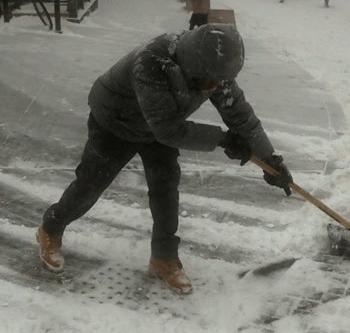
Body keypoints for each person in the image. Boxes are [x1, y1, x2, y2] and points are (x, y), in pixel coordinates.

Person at [35, 23, 294, 294]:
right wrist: (224, 139)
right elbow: (169, 129)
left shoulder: (213, 68)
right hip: (115, 122)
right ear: (193, 64)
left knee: (165, 187)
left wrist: (271, 160)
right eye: (210, 80)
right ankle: (50, 227)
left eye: (220, 81)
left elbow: (241, 117)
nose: (215, 86)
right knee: (90, 185)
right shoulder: (152, 64)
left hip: (158, 126)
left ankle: (164, 256)